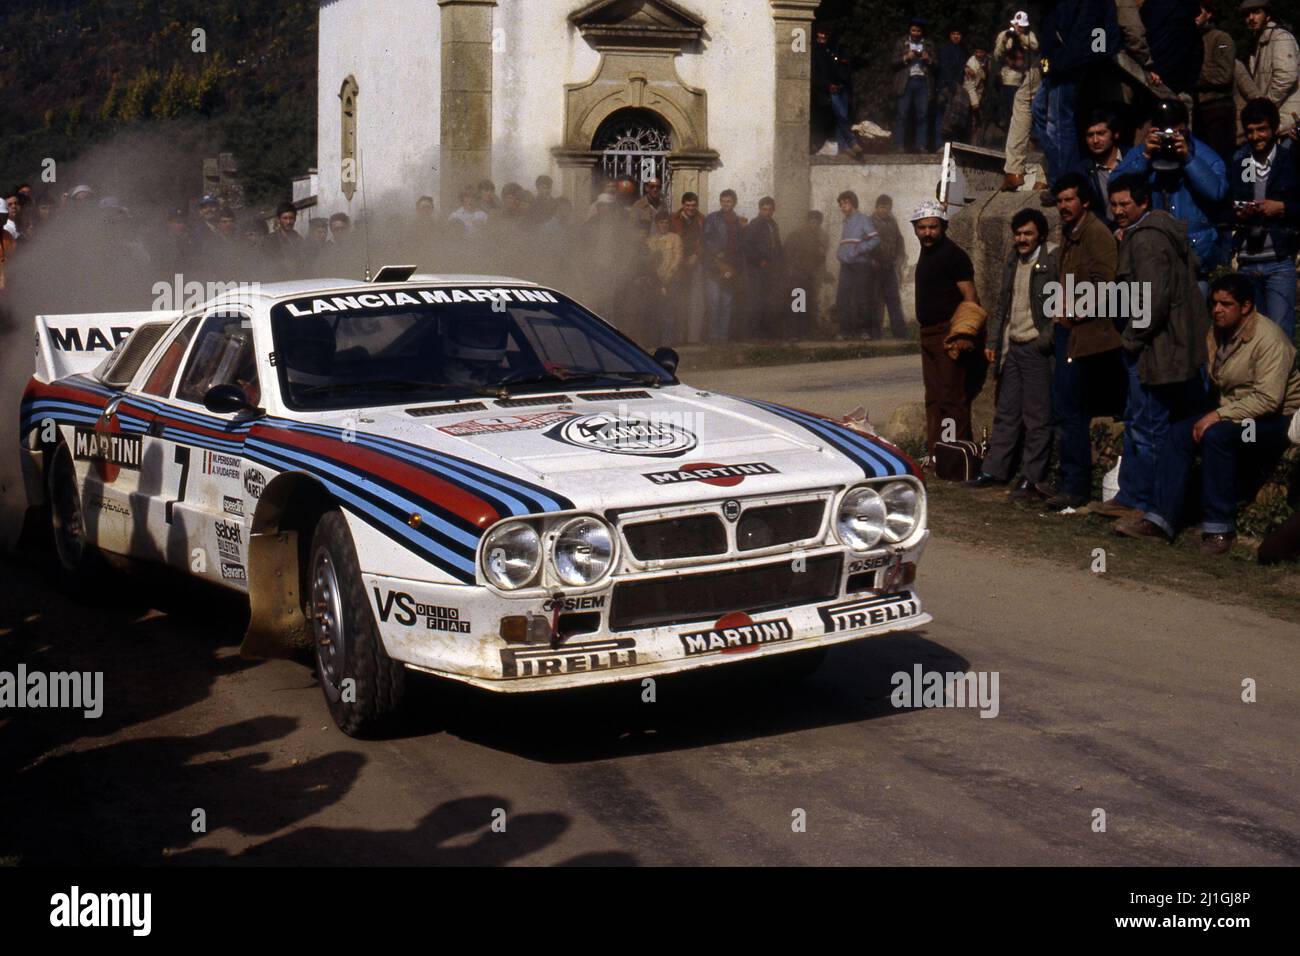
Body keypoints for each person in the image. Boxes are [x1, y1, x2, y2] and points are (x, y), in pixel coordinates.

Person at [1117, 273, 1300, 552]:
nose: (1217, 310)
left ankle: (1219, 528)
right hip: (1234, 411)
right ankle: (1160, 518)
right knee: (1179, 432)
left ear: (1246, 306)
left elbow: (1268, 400)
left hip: (1271, 422)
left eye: (1225, 304)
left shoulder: (1270, 340)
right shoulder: (1217, 332)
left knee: (1217, 435)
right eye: (1214, 303)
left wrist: (1218, 416)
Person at [1104, 173, 1209, 520]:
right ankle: (1132, 494)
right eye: (1114, 204)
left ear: (1143, 203)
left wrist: (1133, 338)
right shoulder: (1154, 233)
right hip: (1161, 344)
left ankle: (1148, 504)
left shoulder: (1148, 239)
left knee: (1150, 425)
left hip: (1156, 348)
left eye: (1125, 204)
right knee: (1139, 421)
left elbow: (1152, 298)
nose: (1118, 211)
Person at [1046, 172, 1124, 511]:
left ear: (1086, 201)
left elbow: (1106, 285)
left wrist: (1073, 311)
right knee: (1064, 408)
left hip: (1087, 335)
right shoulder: (1070, 232)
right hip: (1069, 330)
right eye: (1060, 200)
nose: (1063, 206)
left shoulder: (1096, 234)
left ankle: (1075, 486)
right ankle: (1068, 480)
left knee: (1071, 409)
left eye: (1069, 200)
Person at [966, 209, 1057, 497]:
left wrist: (1046, 340)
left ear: (1040, 234)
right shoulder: (1012, 259)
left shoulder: (1053, 258)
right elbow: (1003, 302)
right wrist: (993, 341)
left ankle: (1031, 477)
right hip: (1013, 345)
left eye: (1028, 233)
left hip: (1037, 346)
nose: (1022, 239)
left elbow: (1065, 302)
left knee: (1037, 417)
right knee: (1006, 412)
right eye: (1018, 233)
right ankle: (995, 470)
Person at [1112, 97, 1229, 283]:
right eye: (1164, 130)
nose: (1170, 136)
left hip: (1196, 254)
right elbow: (1115, 183)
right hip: (1155, 254)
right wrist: (1144, 155)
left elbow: (1217, 192)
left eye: (1176, 131)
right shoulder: (1145, 151)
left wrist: (1189, 159)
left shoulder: (1204, 155)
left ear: (1185, 128)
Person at [911, 200, 981, 451]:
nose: (928, 233)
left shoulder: (954, 256)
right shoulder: (927, 251)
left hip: (947, 334)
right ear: (915, 229)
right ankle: (936, 453)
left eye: (933, 227)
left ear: (943, 227)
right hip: (927, 334)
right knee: (933, 398)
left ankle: (955, 453)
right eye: (922, 228)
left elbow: (971, 298)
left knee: (952, 399)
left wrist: (964, 334)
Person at [1231, 97, 1300, 339]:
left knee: (1280, 335)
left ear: (1273, 129)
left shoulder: (1290, 161)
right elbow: (1232, 202)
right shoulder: (1242, 164)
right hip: (1248, 259)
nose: (1255, 136)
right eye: (1250, 131)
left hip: (1279, 259)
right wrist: (1240, 211)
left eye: (1261, 129)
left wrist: (1281, 207)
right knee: (1250, 336)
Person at [1032, 0, 1120, 184]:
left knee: (1058, 123)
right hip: (1061, 58)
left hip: (1069, 61)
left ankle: (1066, 181)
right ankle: (1061, 175)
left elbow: (1098, 24)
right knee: (1040, 111)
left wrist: (1094, 55)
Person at [998, 10, 1042, 191]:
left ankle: (1015, 170)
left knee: (1031, 111)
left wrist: (1021, 37)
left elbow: (1035, 45)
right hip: (1012, 79)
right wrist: (1006, 40)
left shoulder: (1030, 35)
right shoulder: (1005, 35)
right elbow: (998, 54)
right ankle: (1032, 173)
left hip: (1036, 71)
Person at [1242, 0, 1300, 134]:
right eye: (1247, 14)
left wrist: (1265, 107)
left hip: (1289, 122)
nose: (1251, 18)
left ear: (1267, 15)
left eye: (1256, 12)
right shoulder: (1258, 42)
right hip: (1276, 121)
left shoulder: (1280, 37)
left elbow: (1286, 76)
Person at [1195, 3, 1240, 167]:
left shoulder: (1221, 38)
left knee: (1220, 160)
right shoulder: (1192, 39)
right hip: (1200, 109)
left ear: (1209, 13)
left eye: (1198, 11)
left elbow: (1224, 75)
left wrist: (1195, 76)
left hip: (1218, 108)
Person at [1069, 108, 1129, 228]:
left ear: (1115, 134)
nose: (1095, 141)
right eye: (1090, 135)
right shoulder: (1084, 170)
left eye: (1101, 134)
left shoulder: (1132, 158)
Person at [833, 190, 880, 340]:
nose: (842, 206)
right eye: (840, 204)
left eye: (845, 203)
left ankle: (864, 331)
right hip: (846, 265)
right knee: (842, 298)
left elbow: (875, 239)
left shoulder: (863, 219)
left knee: (862, 298)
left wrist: (859, 250)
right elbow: (846, 242)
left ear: (852, 203)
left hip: (860, 265)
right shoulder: (846, 221)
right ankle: (845, 331)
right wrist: (840, 253)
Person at [811, 24, 859, 156]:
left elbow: (840, 70)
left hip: (837, 88)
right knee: (840, 116)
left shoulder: (832, 50)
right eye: (820, 33)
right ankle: (851, 142)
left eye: (825, 34)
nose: (823, 36)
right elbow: (816, 74)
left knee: (841, 117)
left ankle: (844, 146)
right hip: (826, 91)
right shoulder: (815, 51)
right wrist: (828, 86)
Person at [703, 189, 744, 341]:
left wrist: (734, 267)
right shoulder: (712, 218)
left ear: (734, 202)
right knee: (714, 302)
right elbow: (706, 240)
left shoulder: (738, 221)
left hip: (731, 267)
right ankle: (713, 336)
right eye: (723, 201)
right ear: (720, 201)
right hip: (715, 266)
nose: (726, 204)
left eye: (729, 201)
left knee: (727, 303)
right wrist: (717, 256)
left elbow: (740, 246)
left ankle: (723, 337)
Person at [740, 197, 783, 339]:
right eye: (764, 209)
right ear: (760, 209)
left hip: (771, 267)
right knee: (756, 300)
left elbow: (776, 245)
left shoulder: (773, 225)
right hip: (757, 268)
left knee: (767, 299)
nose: (767, 212)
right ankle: (754, 334)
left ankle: (765, 333)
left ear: (773, 210)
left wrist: (778, 261)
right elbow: (747, 246)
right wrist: (759, 261)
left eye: (770, 209)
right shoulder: (755, 224)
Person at [892, 18, 936, 153]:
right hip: (906, 81)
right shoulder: (901, 43)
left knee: (922, 115)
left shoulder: (928, 44)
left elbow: (937, 64)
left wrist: (928, 59)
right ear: (909, 30)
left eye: (918, 30)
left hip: (923, 81)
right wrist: (906, 58)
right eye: (913, 30)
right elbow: (893, 62)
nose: (916, 33)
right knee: (902, 114)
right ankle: (899, 145)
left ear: (922, 31)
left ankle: (921, 145)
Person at [784, 210, 830, 340]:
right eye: (812, 221)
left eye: (817, 222)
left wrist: (821, 254)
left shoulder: (817, 239)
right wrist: (792, 271)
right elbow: (788, 254)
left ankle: (804, 333)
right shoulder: (796, 235)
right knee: (797, 305)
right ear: (807, 222)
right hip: (797, 275)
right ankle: (793, 334)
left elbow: (818, 260)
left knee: (807, 304)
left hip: (809, 276)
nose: (814, 225)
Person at [868, 194, 908, 339]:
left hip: (889, 267)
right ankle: (875, 334)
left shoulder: (892, 222)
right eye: (881, 207)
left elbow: (899, 241)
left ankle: (901, 334)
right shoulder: (869, 222)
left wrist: (899, 259)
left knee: (893, 300)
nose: (884, 210)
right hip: (874, 268)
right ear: (876, 207)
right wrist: (870, 260)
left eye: (887, 207)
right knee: (875, 301)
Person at [671, 192, 707, 343]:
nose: (691, 208)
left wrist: (696, 256)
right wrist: (681, 259)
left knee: (696, 301)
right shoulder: (674, 219)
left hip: (696, 262)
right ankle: (679, 337)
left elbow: (705, 240)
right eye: (688, 205)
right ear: (683, 205)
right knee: (679, 301)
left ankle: (693, 338)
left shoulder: (702, 220)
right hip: (679, 263)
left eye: (693, 205)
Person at [647, 210, 683, 345]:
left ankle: (667, 341)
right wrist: (657, 279)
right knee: (656, 310)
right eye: (661, 222)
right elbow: (650, 262)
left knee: (670, 310)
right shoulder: (651, 240)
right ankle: (655, 340)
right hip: (656, 281)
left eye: (666, 222)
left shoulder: (675, 238)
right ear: (657, 224)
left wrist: (667, 278)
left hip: (671, 280)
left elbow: (678, 258)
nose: (664, 225)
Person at [935, 27, 968, 149]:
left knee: (954, 117)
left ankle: (951, 145)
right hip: (945, 85)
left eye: (958, 33)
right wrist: (950, 83)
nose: (956, 36)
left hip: (957, 87)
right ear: (950, 35)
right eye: (953, 33)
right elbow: (944, 67)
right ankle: (939, 143)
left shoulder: (962, 51)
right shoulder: (945, 49)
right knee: (942, 115)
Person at [264, 201, 307, 276]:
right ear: (279, 219)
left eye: (291, 218)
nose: (288, 222)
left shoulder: (299, 240)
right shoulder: (269, 240)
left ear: (295, 219)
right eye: (285, 218)